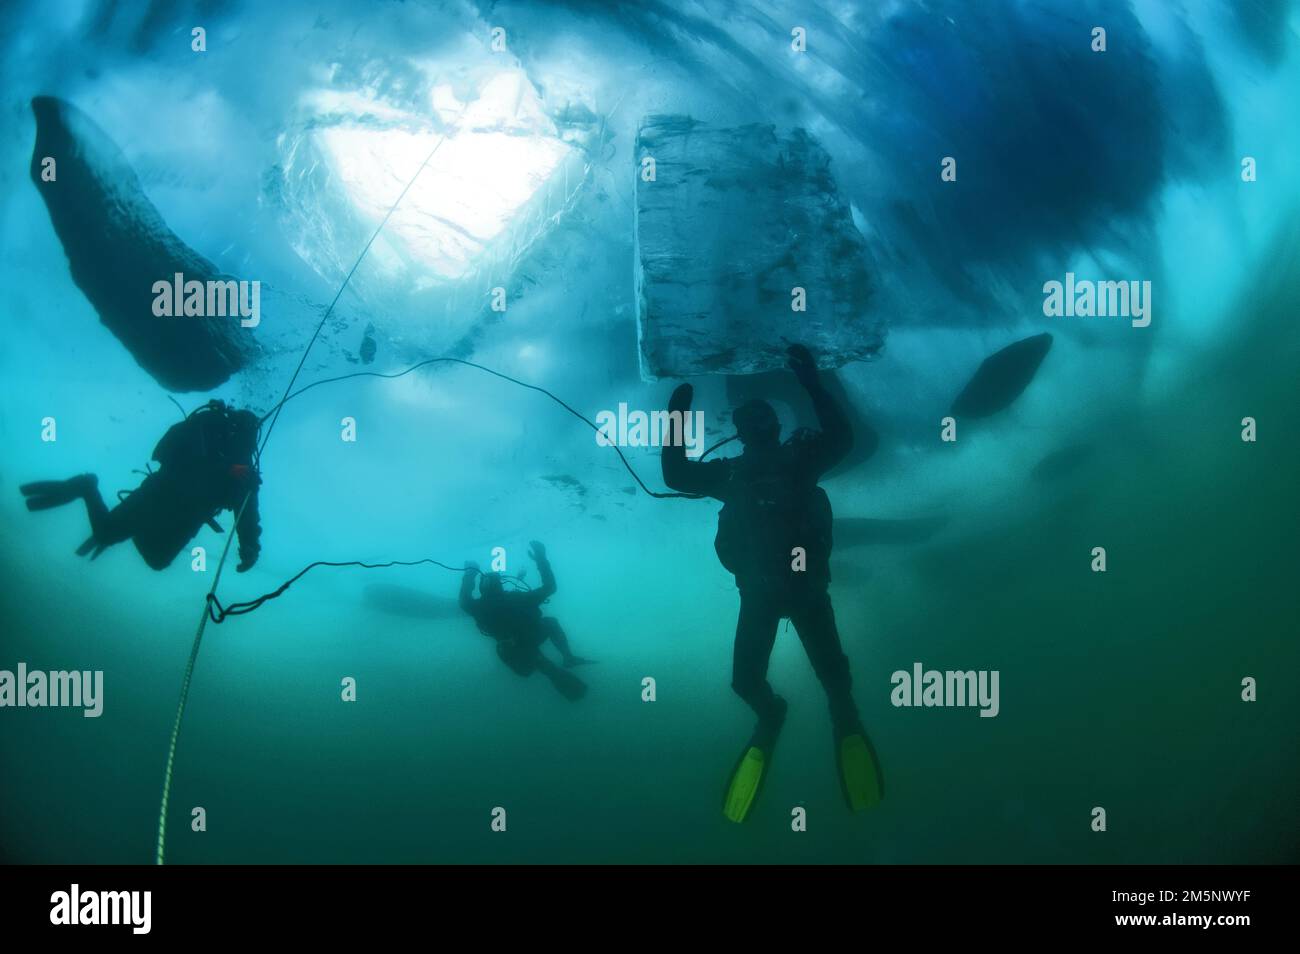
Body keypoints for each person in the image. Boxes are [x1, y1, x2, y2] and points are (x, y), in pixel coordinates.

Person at [661, 343, 883, 822]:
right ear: (741, 431)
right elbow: (676, 475)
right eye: (751, 419)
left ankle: (840, 715)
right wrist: (677, 416)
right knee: (746, 682)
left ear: (775, 426)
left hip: (801, 592)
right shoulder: (735, 473)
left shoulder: (792, 461)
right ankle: (774, 714)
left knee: (834, 681)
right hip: (767, 594)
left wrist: (812, 383)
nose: (758, 424)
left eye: (763, 417)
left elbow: (842, 439)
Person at [20, 400, 262, 572]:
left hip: (186, 518)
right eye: (245, 437)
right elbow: (171, 457)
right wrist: (223, 469)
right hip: (158, 496)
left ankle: (122, 523)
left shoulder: (244, 471)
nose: (246, 445)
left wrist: (250, 545)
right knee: (105, 533)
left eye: (249, 442)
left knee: (157, 560)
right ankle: (87, 487)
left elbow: (247, 511)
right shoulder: (207, 428)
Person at [459, 541, 593, 701]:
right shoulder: (518, 599)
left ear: (483, 587)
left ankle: (556, 667)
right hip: (527, 643)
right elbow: (550, 587)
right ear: (500, 585)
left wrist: (469, 574)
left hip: (510, 652)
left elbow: (464, 600)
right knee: (550, 623)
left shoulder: (478, 606)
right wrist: (541, 558)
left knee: (544, 666)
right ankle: (568, 657)